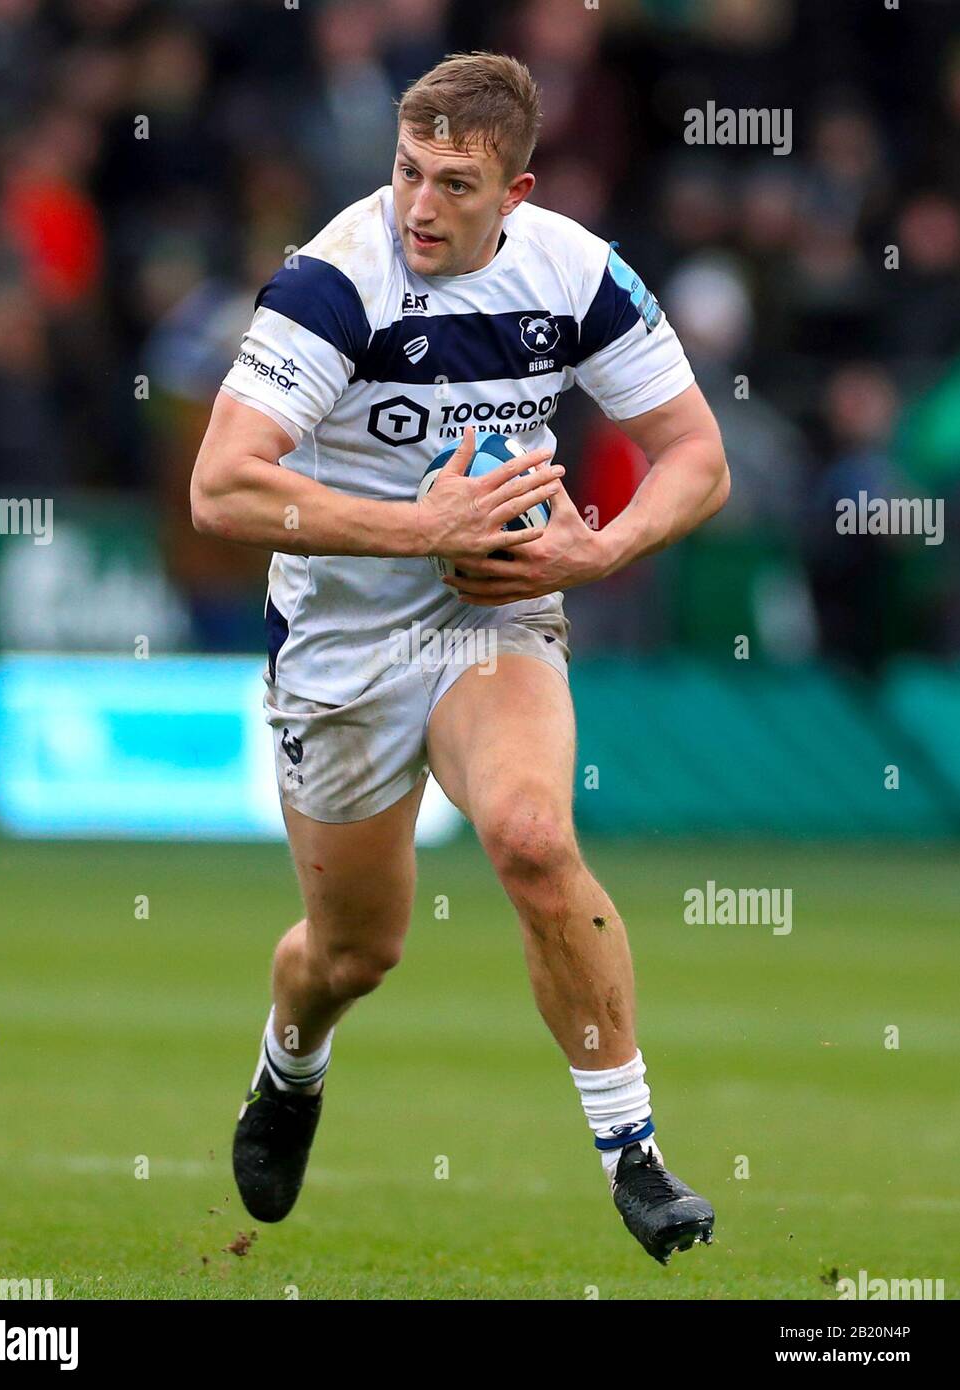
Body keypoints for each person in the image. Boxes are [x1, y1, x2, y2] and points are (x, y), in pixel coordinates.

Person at [190, 51, 729, 1266]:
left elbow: (694, 452)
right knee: (352, 952)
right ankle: (290, 1063)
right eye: (405, 172)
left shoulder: (574, 271)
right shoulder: (334, 280)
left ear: (517, 191)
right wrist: (420, 527)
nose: (420, 206)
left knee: (534, 837)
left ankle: (632, 1152)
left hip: (491, 613)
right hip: (339, 636)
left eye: (453, 183)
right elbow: (220, 486)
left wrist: (602, 551)